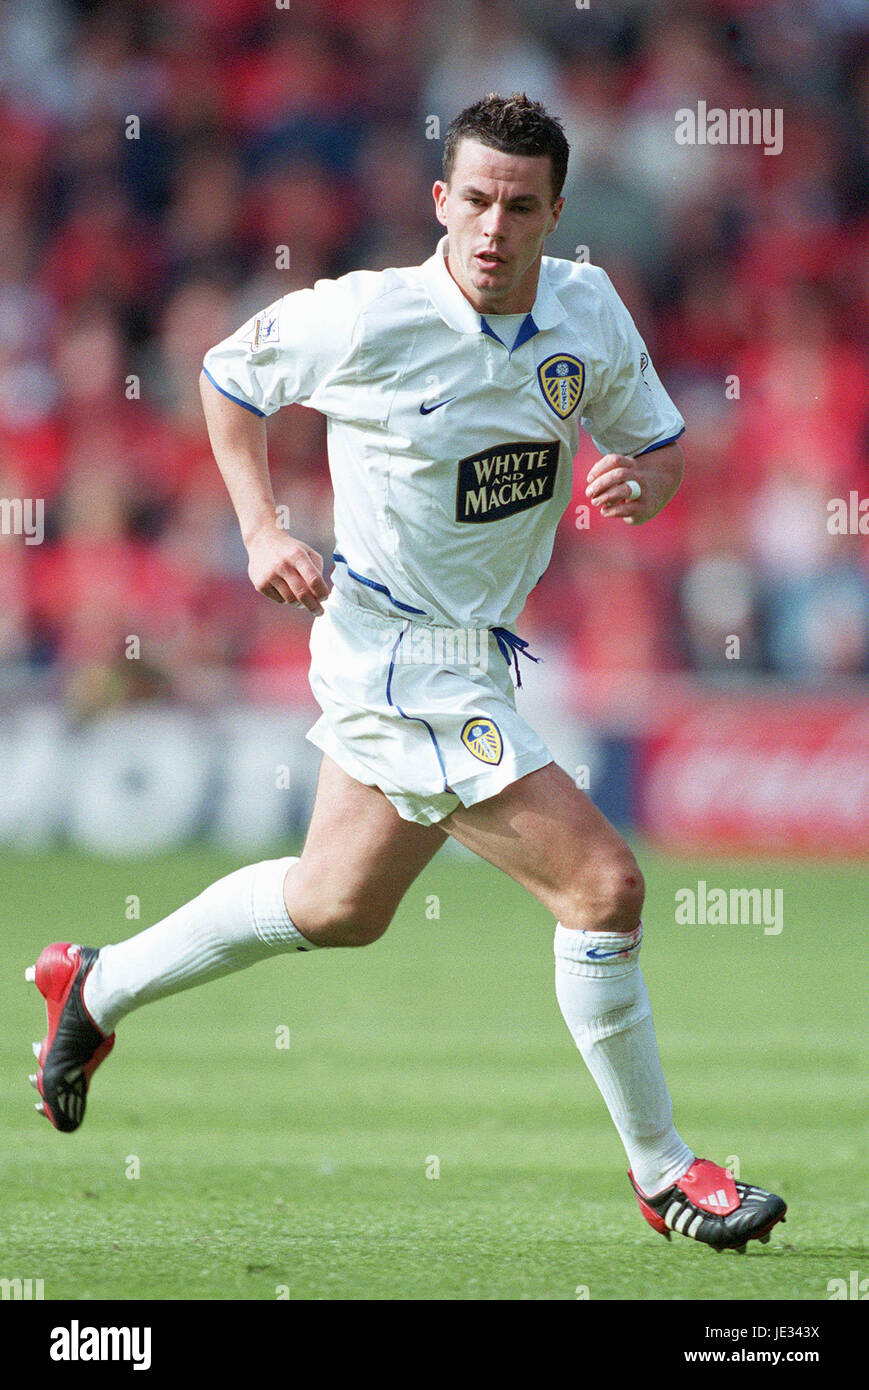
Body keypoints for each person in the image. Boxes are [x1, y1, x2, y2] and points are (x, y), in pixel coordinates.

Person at [28, 93, 785, 1253]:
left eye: (518, 207)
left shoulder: (585, 311)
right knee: (603, 888)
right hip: (394, 658)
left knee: (338, 906)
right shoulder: (370, 317)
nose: (492, 227)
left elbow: (661, 442)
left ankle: (94, 984)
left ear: (553, 215)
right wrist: (260, 528)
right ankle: (665, 1173)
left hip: (476, 655)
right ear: (441, 201)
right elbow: (229, 379)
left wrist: (651, 483)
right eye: (474, 200)